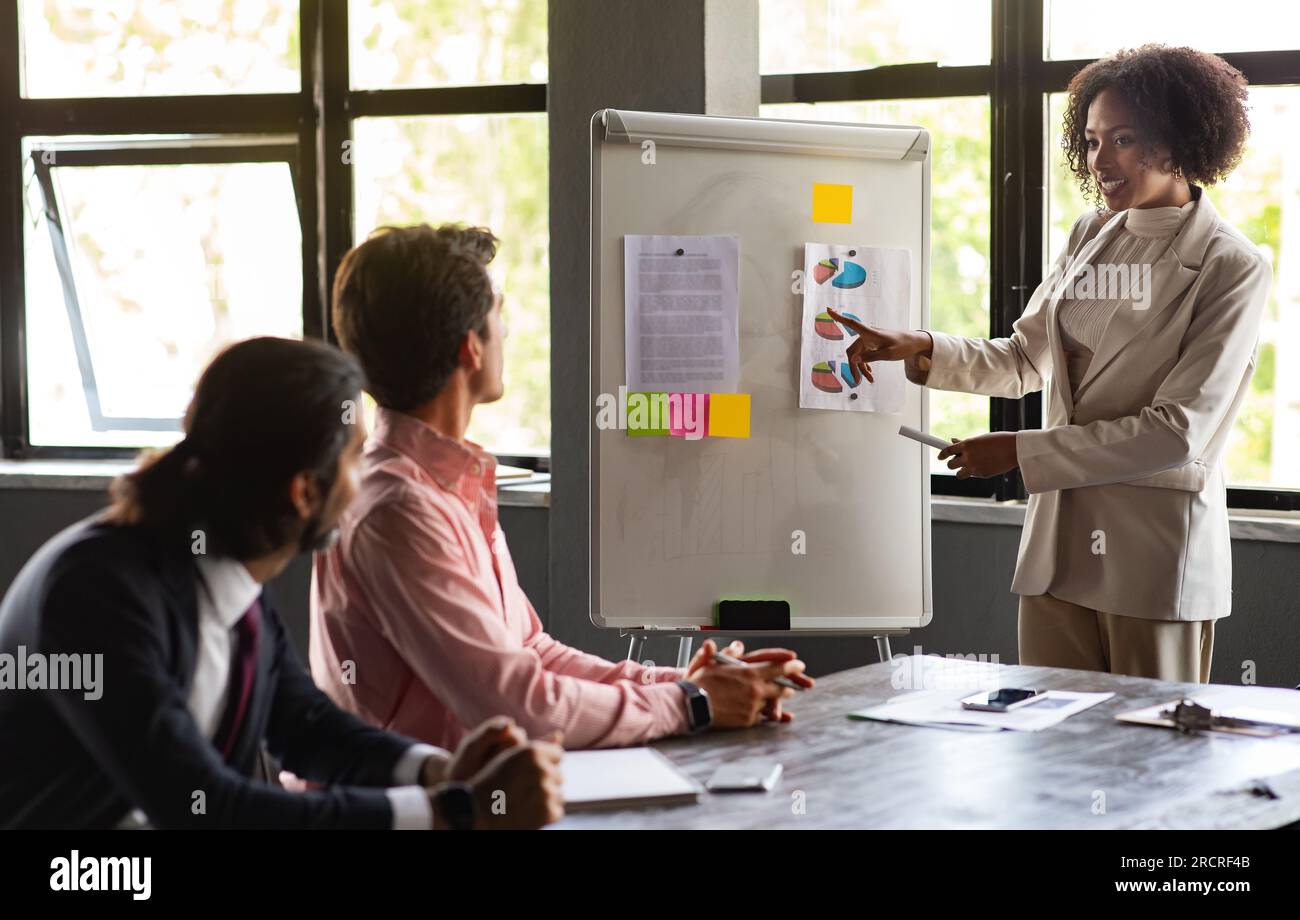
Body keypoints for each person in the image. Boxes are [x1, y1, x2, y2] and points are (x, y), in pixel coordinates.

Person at [828, 45, 1271, 683]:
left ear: (1181, 139)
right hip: (1057, 549)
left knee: (1147, 761)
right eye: (1091, 141)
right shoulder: (1091, 234)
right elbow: (1023, 359)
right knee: (1052, 753)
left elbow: (1179, 431)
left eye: (1124, 139)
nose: (1102, 160)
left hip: (1152, 559)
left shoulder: (1231, 266)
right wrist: (920, 346)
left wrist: (1021, 452)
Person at [0, 337, 562, 829]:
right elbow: (207, 808)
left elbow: (304, 726)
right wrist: (458, 813)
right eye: (354, 458)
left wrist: (442, 770)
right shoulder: (96, 596)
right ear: (303, 493)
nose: (367, 477)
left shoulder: (222, 568)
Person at [312, 224, 812, 751]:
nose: (506, 330)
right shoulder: (399, 510)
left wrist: (684, 685)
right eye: (498, 314)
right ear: (470, 349)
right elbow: (514, 706)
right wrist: (695, 704)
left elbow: (531, 651)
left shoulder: (443, 482)